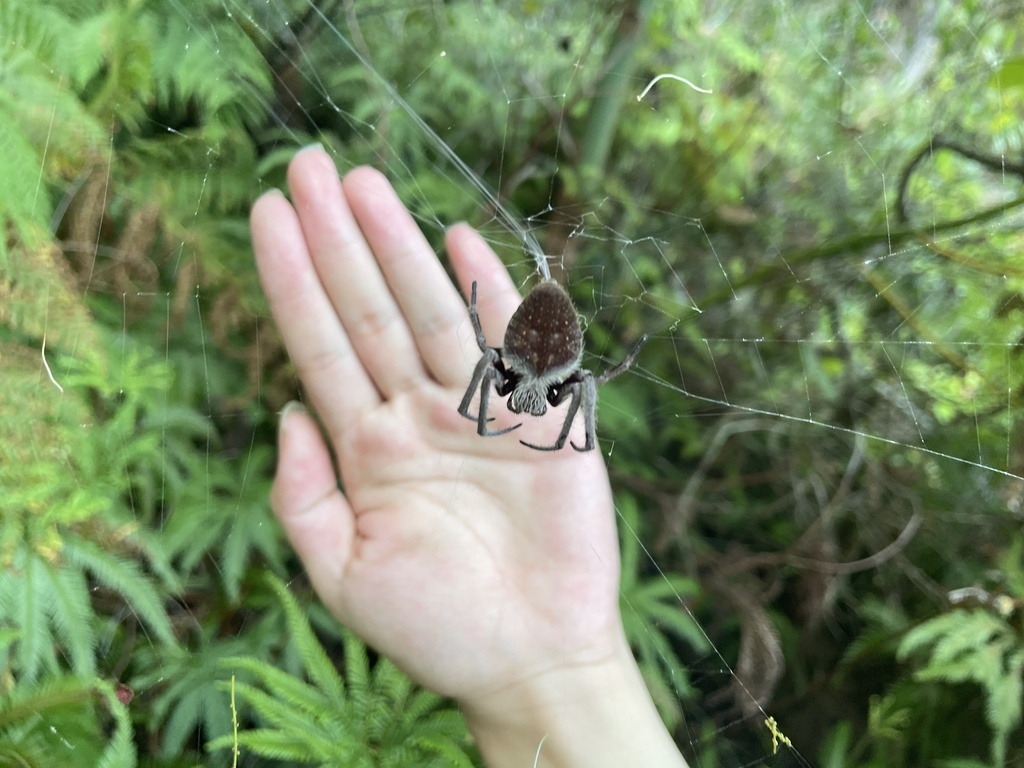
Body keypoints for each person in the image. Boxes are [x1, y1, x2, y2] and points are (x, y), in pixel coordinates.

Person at [250, 145, 688, 767]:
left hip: (546, 354)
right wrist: (488, 414)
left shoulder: (551, 389)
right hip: (545, 351)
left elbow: (578, 376)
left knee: (556, 377)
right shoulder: (523, 379)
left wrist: (565, 430)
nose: (532, 411)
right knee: (512, 366)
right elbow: (492, 351)